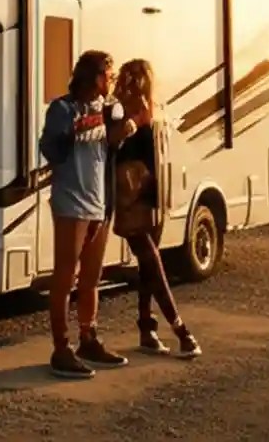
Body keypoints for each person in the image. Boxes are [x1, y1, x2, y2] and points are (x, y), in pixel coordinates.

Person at [38, 49, 139, 379]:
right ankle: (60, 347)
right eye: (108, 76)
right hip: (71, 203)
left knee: (92, 278)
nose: (111, 82)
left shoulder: (107, 109)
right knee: (65, 277)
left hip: (99, 203)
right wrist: (82, 126)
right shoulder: (62, 109)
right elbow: (50, 148)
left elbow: (105, 145)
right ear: (94, 77)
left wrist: (121, 133)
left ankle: (88, 338)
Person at [111, 58, 202, 359]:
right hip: (131, 201)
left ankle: (147, 330)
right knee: (153, 263)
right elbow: (113, 147)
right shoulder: (121, 109)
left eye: (141, 77)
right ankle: (181, 330)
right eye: (135, 77)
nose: (139, 82)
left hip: (153, 198)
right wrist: (131, 124)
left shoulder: (153, 107)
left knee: (148, 267)